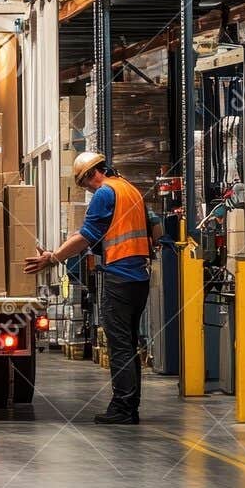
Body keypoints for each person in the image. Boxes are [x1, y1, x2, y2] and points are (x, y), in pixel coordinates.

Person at [25, 152, 157, 425]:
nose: (87, 190)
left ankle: (123, 408)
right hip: (139, 279)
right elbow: (155, 228)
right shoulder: (130, 189)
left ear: (90, 175)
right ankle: (130, 405)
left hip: (118, 278)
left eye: (84, 184)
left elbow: (86, 236)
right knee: (129, 343)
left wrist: (53, 258)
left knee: (119, 345)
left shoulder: (104, 193)